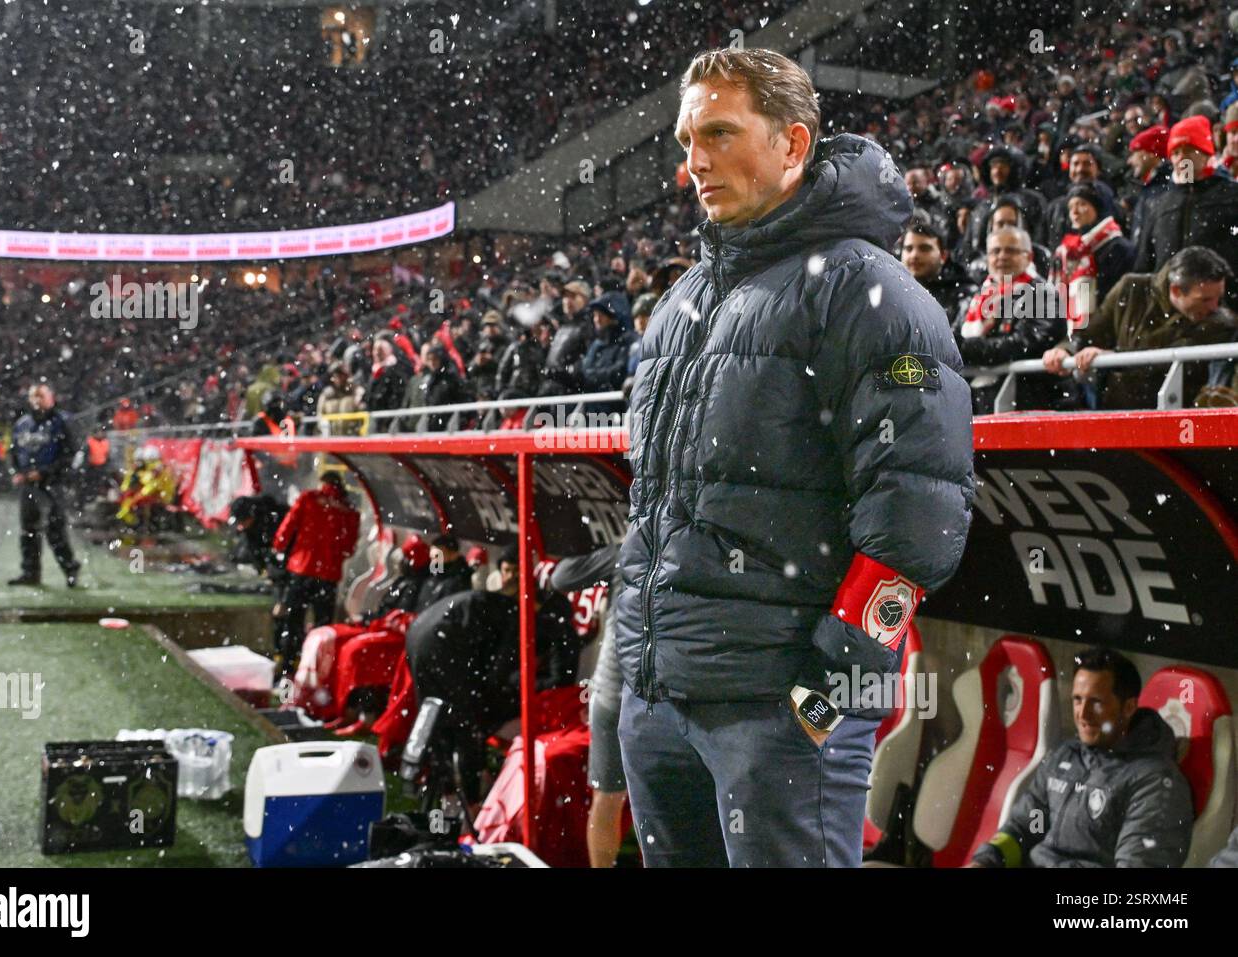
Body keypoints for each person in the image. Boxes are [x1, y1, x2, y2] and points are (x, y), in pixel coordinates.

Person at [617, 48, 974, 869]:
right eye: (684, 140)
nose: (695, 161)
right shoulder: (681, 303)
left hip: (778, 712)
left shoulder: (870, 293)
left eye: (718, 133)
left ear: (793, 143)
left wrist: (824, 693)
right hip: (661, 696)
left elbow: (918, 513)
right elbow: (657, 505)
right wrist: (631, 667)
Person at [970, 648, 1193, 868]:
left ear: (1128, 707)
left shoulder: (1156, 782)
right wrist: (986, 861)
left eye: (1096, 702)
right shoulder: (1065, 757)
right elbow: (1027, 827)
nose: (1082, 714)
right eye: (1078, 699)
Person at [405, 546, 580, 810]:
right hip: (442, 640)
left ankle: (439, 789)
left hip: (421, 632)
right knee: (466, 721)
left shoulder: (500, 605)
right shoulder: (517, 619)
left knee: (433, 713)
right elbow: (496, 675)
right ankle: (471, 797)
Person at [1042, 246, 1236, 409]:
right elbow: (1091, 333)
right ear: (1176, 290)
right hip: (1117, 411)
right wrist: (1065, 350)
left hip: (1177, 419)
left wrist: (1111, 357)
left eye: (1218, 297)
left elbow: (1163, 356)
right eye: (1206, 299)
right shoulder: (1131, 289)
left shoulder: (1219, 322)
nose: (1215, 306)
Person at [550, 543, 626, 868]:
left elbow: (561, 576)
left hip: (613, 691)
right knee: (666, 806)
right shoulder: (699, 548)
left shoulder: (632, 547)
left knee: (608, 799)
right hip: (660, 695)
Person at [956, 226, 1067, 413]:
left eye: (1011, 250)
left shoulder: (1041, 294)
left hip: (1031, 401)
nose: (1002, 256)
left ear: (1029, 257)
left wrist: (964, 348)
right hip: (979, 402)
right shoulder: (976, 298)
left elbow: (1026, 344)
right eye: (995, 251)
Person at [1134, 116, 1238, 306]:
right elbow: (1144, 264)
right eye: (1176, 152)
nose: (1181, 158)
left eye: (1189, 150)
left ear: (1206, 154)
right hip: (1168, 311)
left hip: (1221, 309)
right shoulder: (1158, 204)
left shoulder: (1232, 196)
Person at [271, 470, 361, 674]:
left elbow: (288, 526)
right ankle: (317, 668)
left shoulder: (308, 499)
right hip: (327, 576)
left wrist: (279, 545)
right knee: (323, 625)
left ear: (323, 482)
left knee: (293, 620)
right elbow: (349, 548)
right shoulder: (349, 511)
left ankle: (288, 664)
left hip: (301, 569)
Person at [8, 383, 82, 588]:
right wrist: (18, 472)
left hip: (54, 484)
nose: (37, 400)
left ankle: (70, 567)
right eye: (34, 396)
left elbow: (70, 454)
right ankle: (30, 572)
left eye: (41, 395)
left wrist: (44, 472)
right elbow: (13, 452)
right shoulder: (22, 423)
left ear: (52, 398)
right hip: (29, 486)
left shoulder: (62, 422)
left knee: (54, 528)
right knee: (28, 529)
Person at [1049, 182, 1135, 332]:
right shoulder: (1067, 252)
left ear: (1098, 208)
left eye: (1082, 204)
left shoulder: (1118, 247)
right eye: (1071, 207)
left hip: (1110, 329)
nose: (1074, 212)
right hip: (1076, 334)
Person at [899, 221, 977, 324]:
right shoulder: (892, 291)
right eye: (908, 249)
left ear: (943, 256)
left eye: (924, 249)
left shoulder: (962, 294)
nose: (914, 255)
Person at [413, 532, 473, 613]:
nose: (434, 561)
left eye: (438, 556)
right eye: (432, 557)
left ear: (454, 555)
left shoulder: (459, 580)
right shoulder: (430, 574)